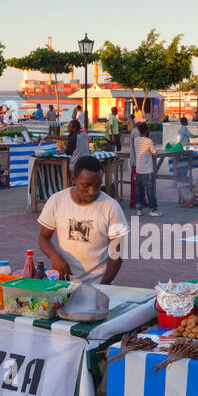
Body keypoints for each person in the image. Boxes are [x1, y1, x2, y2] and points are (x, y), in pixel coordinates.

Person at [37, 155, 129, 285]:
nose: (91, 191)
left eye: (97, 186)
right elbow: (43, 238)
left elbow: (117, 253)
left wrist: (103, 286)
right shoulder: (57, 201)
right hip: (64, 284)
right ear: (73, 179)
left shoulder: (111, 207)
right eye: (86, 185)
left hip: (98, 282)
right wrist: (55, 256)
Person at [135, 122, 160, 216]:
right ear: (146, 131)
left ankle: (139, 210)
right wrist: (155, 151)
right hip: (147, 170)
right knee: (150, 190)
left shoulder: (136, 140)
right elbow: (154, 152)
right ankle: (153, 210)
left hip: (138, 170)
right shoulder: (148, 141)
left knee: (139, 191)